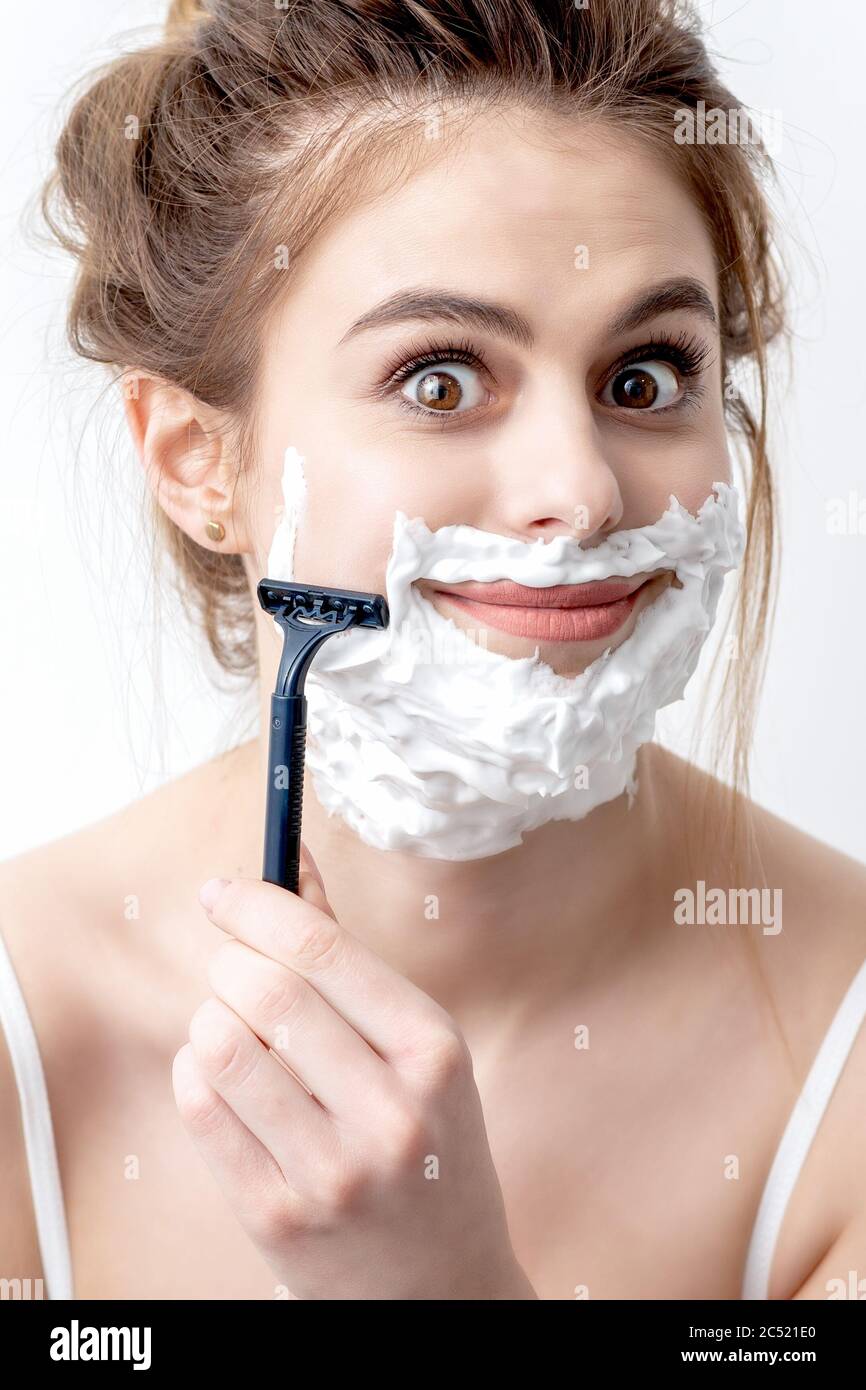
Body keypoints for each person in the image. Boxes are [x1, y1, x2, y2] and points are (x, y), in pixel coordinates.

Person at [2, 0, 864, 1301]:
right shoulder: (26, 1031)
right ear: (198, 462)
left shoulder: (842, 1053)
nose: (577, 491)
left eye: (642, 377)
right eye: (440, 379)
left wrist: (438, 1290)